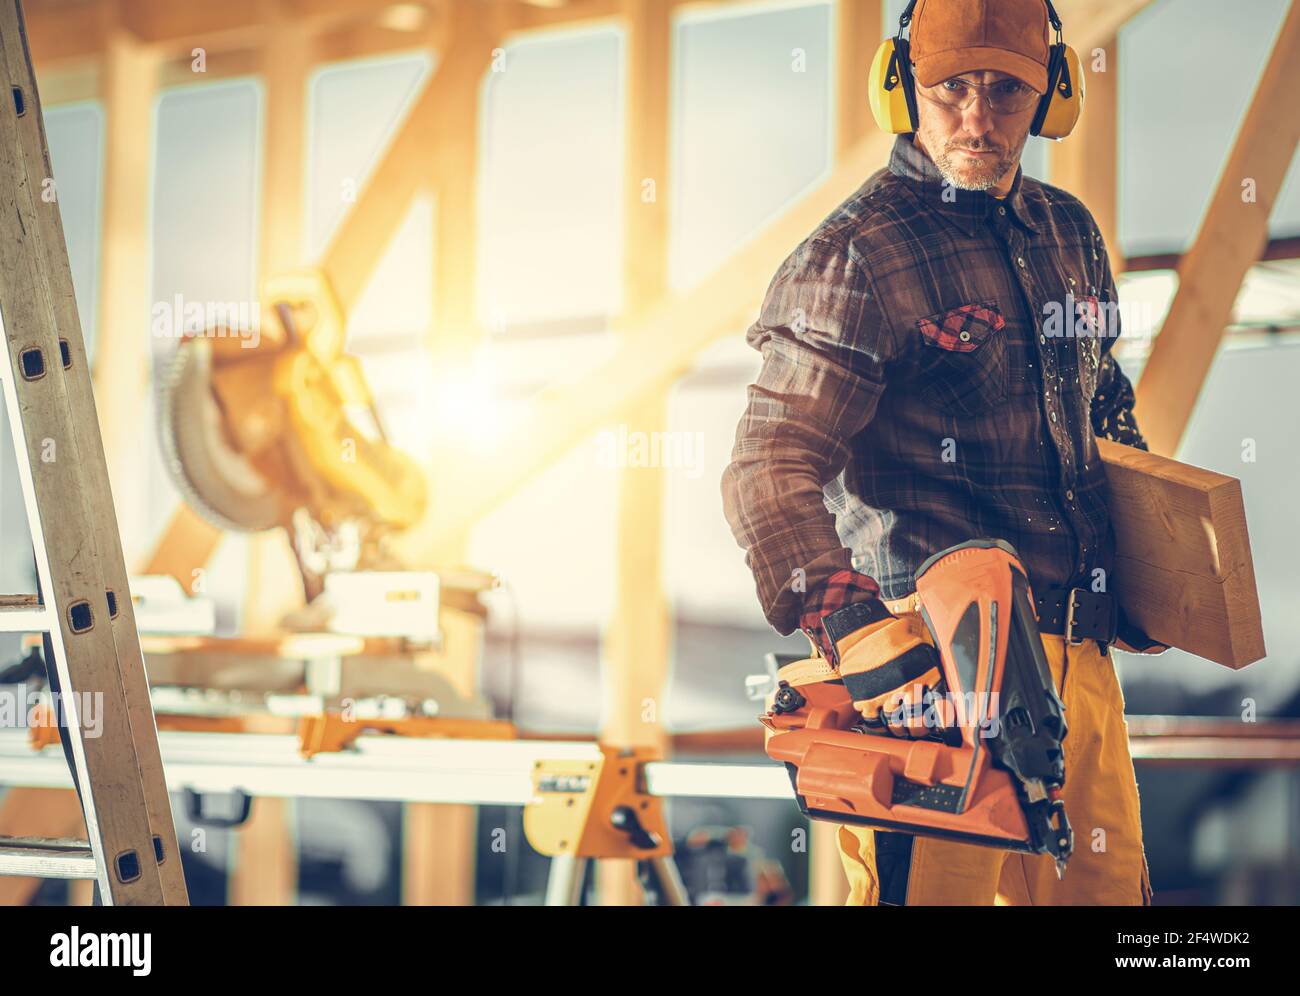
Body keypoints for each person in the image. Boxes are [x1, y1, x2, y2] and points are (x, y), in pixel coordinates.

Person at [722, 0, 1163, 905]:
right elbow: (768, 465)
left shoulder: (1070, 235)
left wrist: (1153, 568)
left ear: (1052, 95)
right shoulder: (856, 254)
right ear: (903, 90)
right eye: (951, 87)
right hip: (937, 679)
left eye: (1006, 91)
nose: (977, 117)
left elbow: (1103, 407)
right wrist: (856, 634)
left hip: (1078, 665)